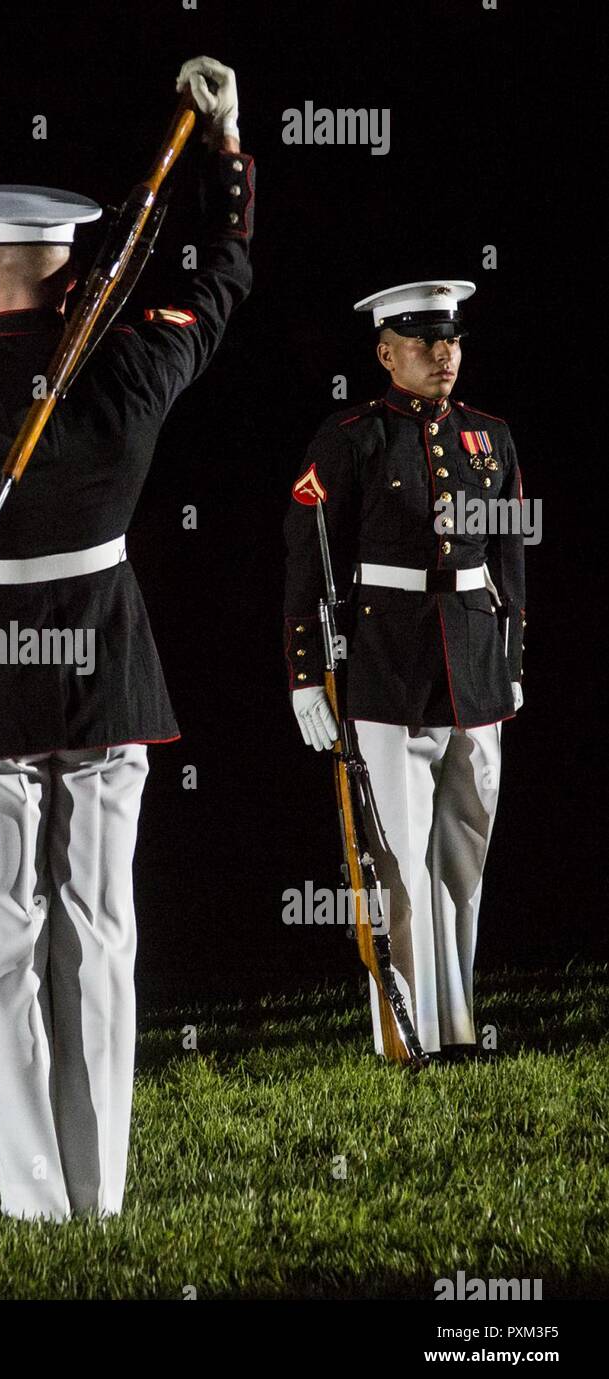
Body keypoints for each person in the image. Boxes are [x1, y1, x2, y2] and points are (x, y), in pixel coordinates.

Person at [0, 57, 255, 1217]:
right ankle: (101, 1191)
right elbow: (227, 278)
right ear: (77, 271)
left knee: (2, 947)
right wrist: (226, 149)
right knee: (100, 938)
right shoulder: (138, 362)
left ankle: (36, 1193)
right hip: (107, 668)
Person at [283, 280, 526, 1059]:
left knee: (464, 853)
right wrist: (303, 672)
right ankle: (405, 1030)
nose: (441, 353)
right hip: (387, 669)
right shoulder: (350, 436)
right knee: (395, 858)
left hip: (474, 664)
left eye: (449, 339)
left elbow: (508, 558)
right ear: (386, 353)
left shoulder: (489, 436)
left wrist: (511, 655)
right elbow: (306, 557)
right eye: (422, 342)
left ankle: (455, 1025)